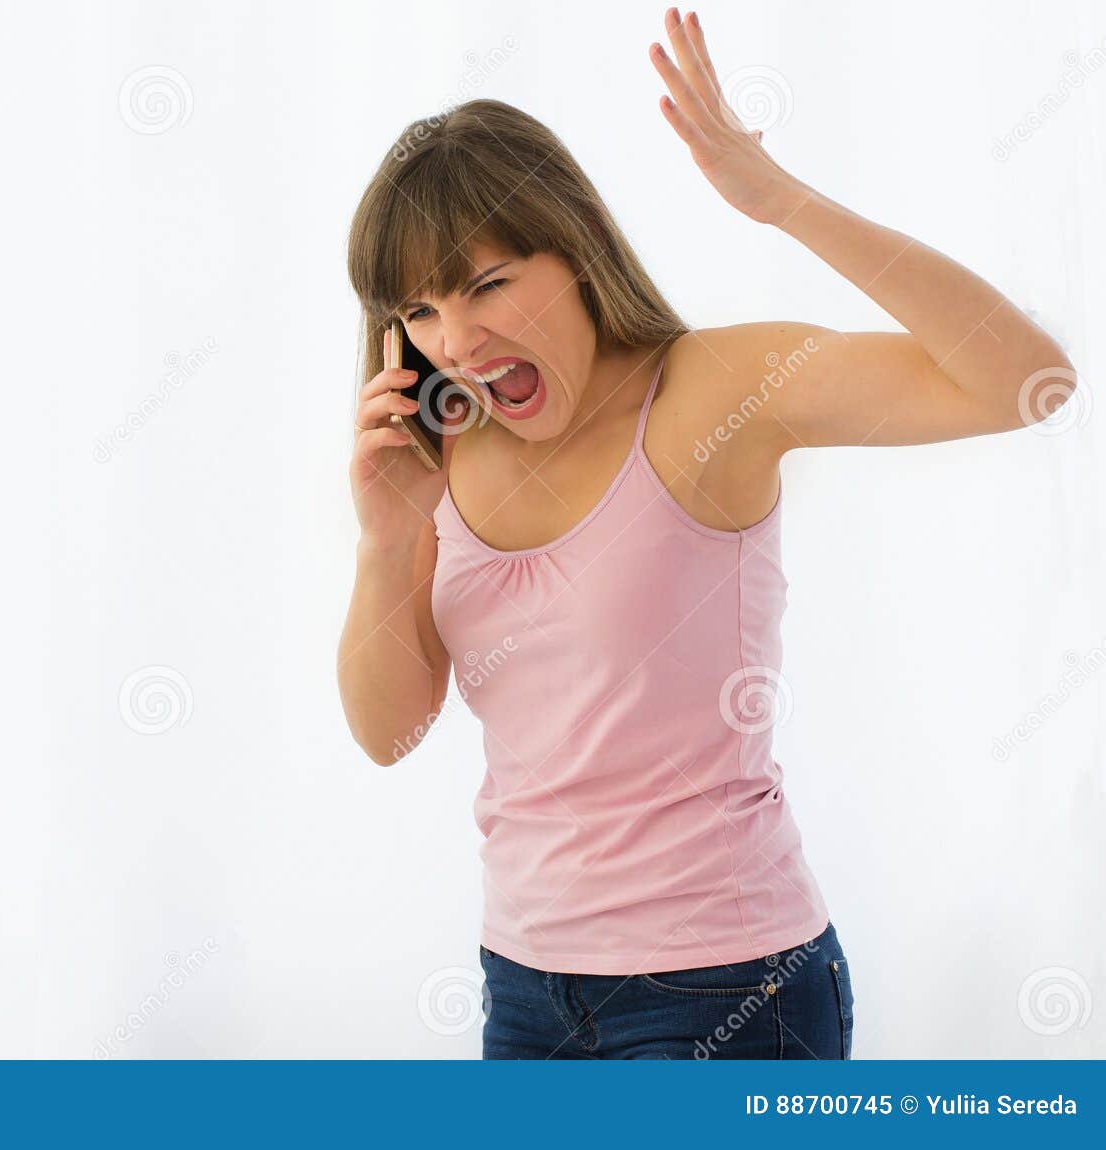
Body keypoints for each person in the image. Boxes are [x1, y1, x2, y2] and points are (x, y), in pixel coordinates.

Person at [336, 9, 1075, 1060]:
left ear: (577, 250)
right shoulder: (436, 457)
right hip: (523, 990)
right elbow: (387, 733)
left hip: (726, 992)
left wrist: (781, 202)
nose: (454, 341)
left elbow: (1025, 382)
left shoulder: (705, 397)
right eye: (418, 309)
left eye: (487, 285)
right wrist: (380, 543)